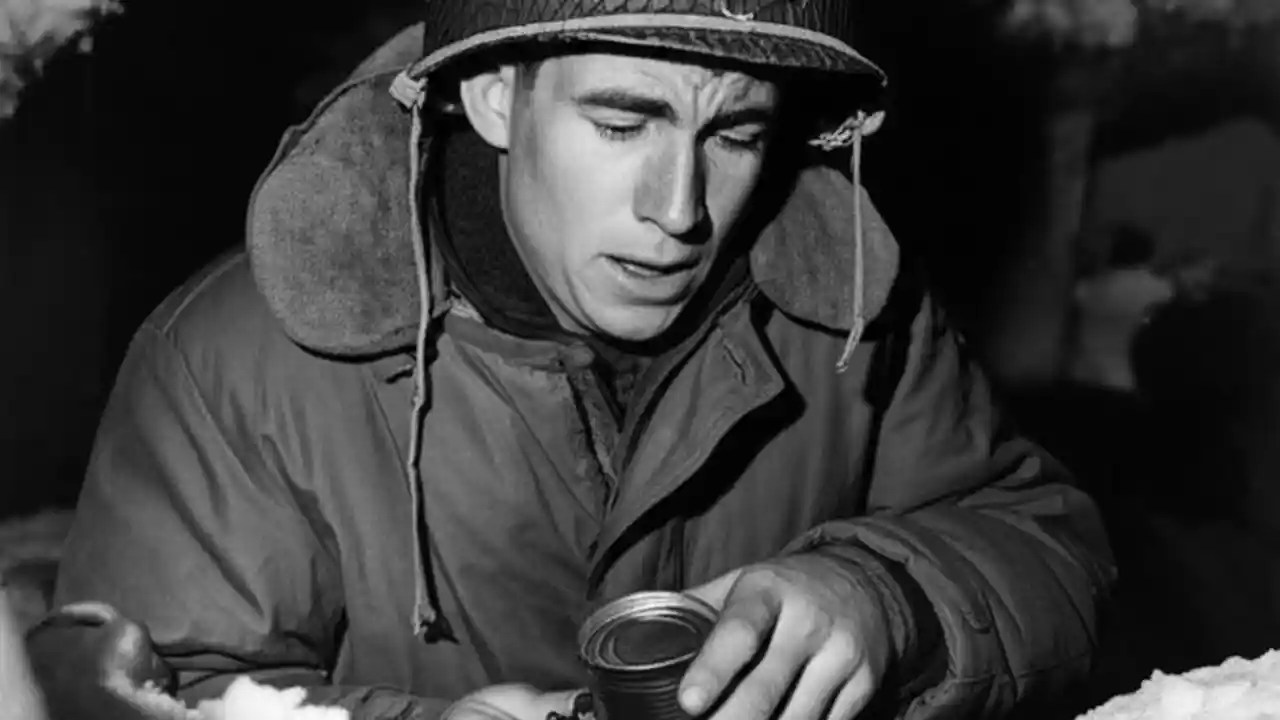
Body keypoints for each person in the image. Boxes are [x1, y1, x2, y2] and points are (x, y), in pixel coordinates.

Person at [27, 3, 1116, 719]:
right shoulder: (231, 361)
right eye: (622, 123)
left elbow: (1042, 539)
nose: (679, 211)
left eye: (736, 136)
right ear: (496, 96)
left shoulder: (856, 312)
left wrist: (889, 601)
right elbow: (128, 694)